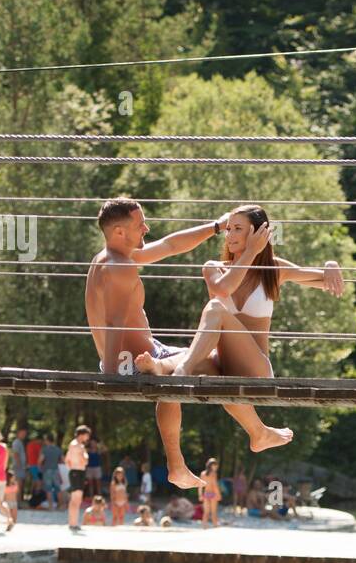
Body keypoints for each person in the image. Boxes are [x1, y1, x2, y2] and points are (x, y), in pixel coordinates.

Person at [85, 199, 307, 489]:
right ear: (119, 231)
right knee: (208, 370)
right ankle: (251, 434)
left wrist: (215, 225)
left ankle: (194, 456)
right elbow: (112, 323)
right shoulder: (119, 267)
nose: (147, 228)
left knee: (197, 366)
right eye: (140, 225)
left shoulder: (113, 257)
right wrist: (111, 378)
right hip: (129, 362)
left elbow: (169, 246)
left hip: (146, 354)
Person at [136, 205, 347, 474]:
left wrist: (330, 265)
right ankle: (165, 371)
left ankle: (178, 371)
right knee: (198, 349)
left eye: (238, 228)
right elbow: (222, 288)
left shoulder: (273, 269)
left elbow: (325, 280)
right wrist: (250, 253)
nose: (229, 234)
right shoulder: (214, 268)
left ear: (259, 233)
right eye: (228, 228)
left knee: (214, 310)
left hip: (255, 369)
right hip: (221, 367)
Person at [65, 424, 90, 532]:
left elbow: (67, 460)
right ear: (82, 434)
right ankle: (73, 523)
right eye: (86, 435)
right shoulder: (76, 446)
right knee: (76, 498)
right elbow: (83, 460)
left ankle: (73, 522)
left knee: (76, 499)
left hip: (77, 471)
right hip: (77, 471)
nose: (87, 437)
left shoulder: (78, 445)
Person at [40, 433, 63, 509]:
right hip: (56, 470)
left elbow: (40, 460)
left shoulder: (45, 449)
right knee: (58, 488)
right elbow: (62, 460)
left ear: (47, 440)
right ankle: (60, 505)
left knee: (48, 488)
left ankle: (50, 506)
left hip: (47, 470)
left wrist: (40, 467)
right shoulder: (58, 449)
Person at [199, 458, 221, 528]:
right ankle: (215, 524)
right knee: (213, 512)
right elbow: (215, 485)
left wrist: (200, 495)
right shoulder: (213, 474)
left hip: (206, 494)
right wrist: (219, 494)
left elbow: (200, 486)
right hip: (213, 494)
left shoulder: (203, 473)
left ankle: (204, 525)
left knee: (206, 512)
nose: (216, 467)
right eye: (215, 465)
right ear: (212, 466)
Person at [10, 427, 28, 502]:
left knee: (20, 485)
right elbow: (16, 454)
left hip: (21, 467)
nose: (24, 435)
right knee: (18, 485)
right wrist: (20, 465)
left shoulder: (20, 442)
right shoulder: (16, 442)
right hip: (18, 467)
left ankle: (19, 501)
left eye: (25, 434)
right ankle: (17, 502)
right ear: (18, 433)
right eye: (22, 433)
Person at [26, 432, 43, 497]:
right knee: (38, 481)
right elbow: (41, 454)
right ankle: (36, 497)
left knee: (34, 480)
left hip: (30, 464)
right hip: (36, 465)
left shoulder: (29, 444)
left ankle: (31, 495)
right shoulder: (37, 445)